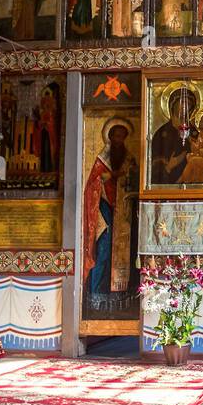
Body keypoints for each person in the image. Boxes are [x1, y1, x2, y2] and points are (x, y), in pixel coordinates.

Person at [83, 119, 133, 296]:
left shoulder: (127, 158)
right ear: (110, 137)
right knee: (103, 247)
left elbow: (131, 179)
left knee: (119, 249)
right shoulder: (102, 158)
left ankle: (115, 289)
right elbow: (92, 183)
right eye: (116, 136)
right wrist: (110, 175)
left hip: (122, 207)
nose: (119, 140)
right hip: (103, 207)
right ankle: (95, 290)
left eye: (123, 137)